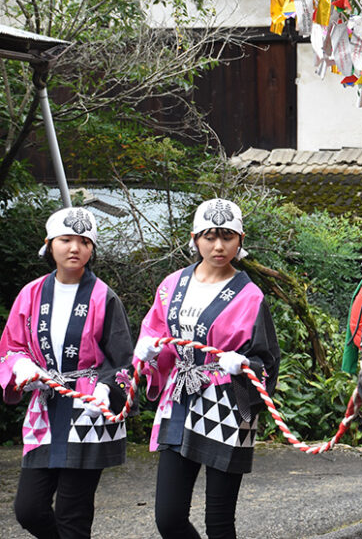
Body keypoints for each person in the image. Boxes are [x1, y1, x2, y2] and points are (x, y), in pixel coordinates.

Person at [135, 199, 280, 538]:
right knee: (168, 518)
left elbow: (267, 361)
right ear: (195, 238)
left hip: (228, 404)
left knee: (219, 521)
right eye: (210, 236)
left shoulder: (250, 296)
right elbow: (155, 333)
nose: (218, 245)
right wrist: (149, 354)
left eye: (227, 236)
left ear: (240, 240)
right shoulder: (171, 285)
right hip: (180, 399)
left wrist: (244, 365)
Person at [0, 207, 133, 539]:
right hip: (44, 410)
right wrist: (21, 366)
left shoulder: (105, 297)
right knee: (28, 509)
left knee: (73, 516)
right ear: (50, 244)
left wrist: (105, 390)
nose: (75, 248)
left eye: (84, 241)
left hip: (88, 411)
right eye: (66, 239)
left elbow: (123, 362)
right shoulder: (30, 295)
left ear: (92, 249)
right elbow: (11, 345)